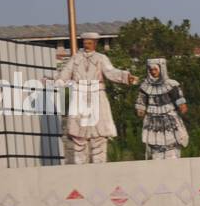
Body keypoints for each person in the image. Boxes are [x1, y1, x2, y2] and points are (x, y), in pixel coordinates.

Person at [50, 31, 137, 164]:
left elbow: (110, 72)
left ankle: (99, 164)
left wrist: (125, 76)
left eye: (90, 43)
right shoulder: (75, 58)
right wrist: (57, 82)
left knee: (99, 133)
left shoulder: (101, 58)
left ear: (95, 44)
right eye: (85, 43)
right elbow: (65, 73)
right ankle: (80, 164)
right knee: (78, 133)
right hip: (80, 95)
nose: (87, 45)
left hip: (97, 94)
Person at [135, 58, 189, 159]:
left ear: (161, 69)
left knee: (171, 141)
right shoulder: (145, 86)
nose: (153, 72)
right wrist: (140, 108)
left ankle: (172, 158)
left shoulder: (170, 84)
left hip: (169, 117)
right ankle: (157, 159)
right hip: (152, 118)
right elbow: (141, 99)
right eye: (151, 70)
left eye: (155, 69)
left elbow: (178, 97)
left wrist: (182, 106)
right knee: (155, 143)